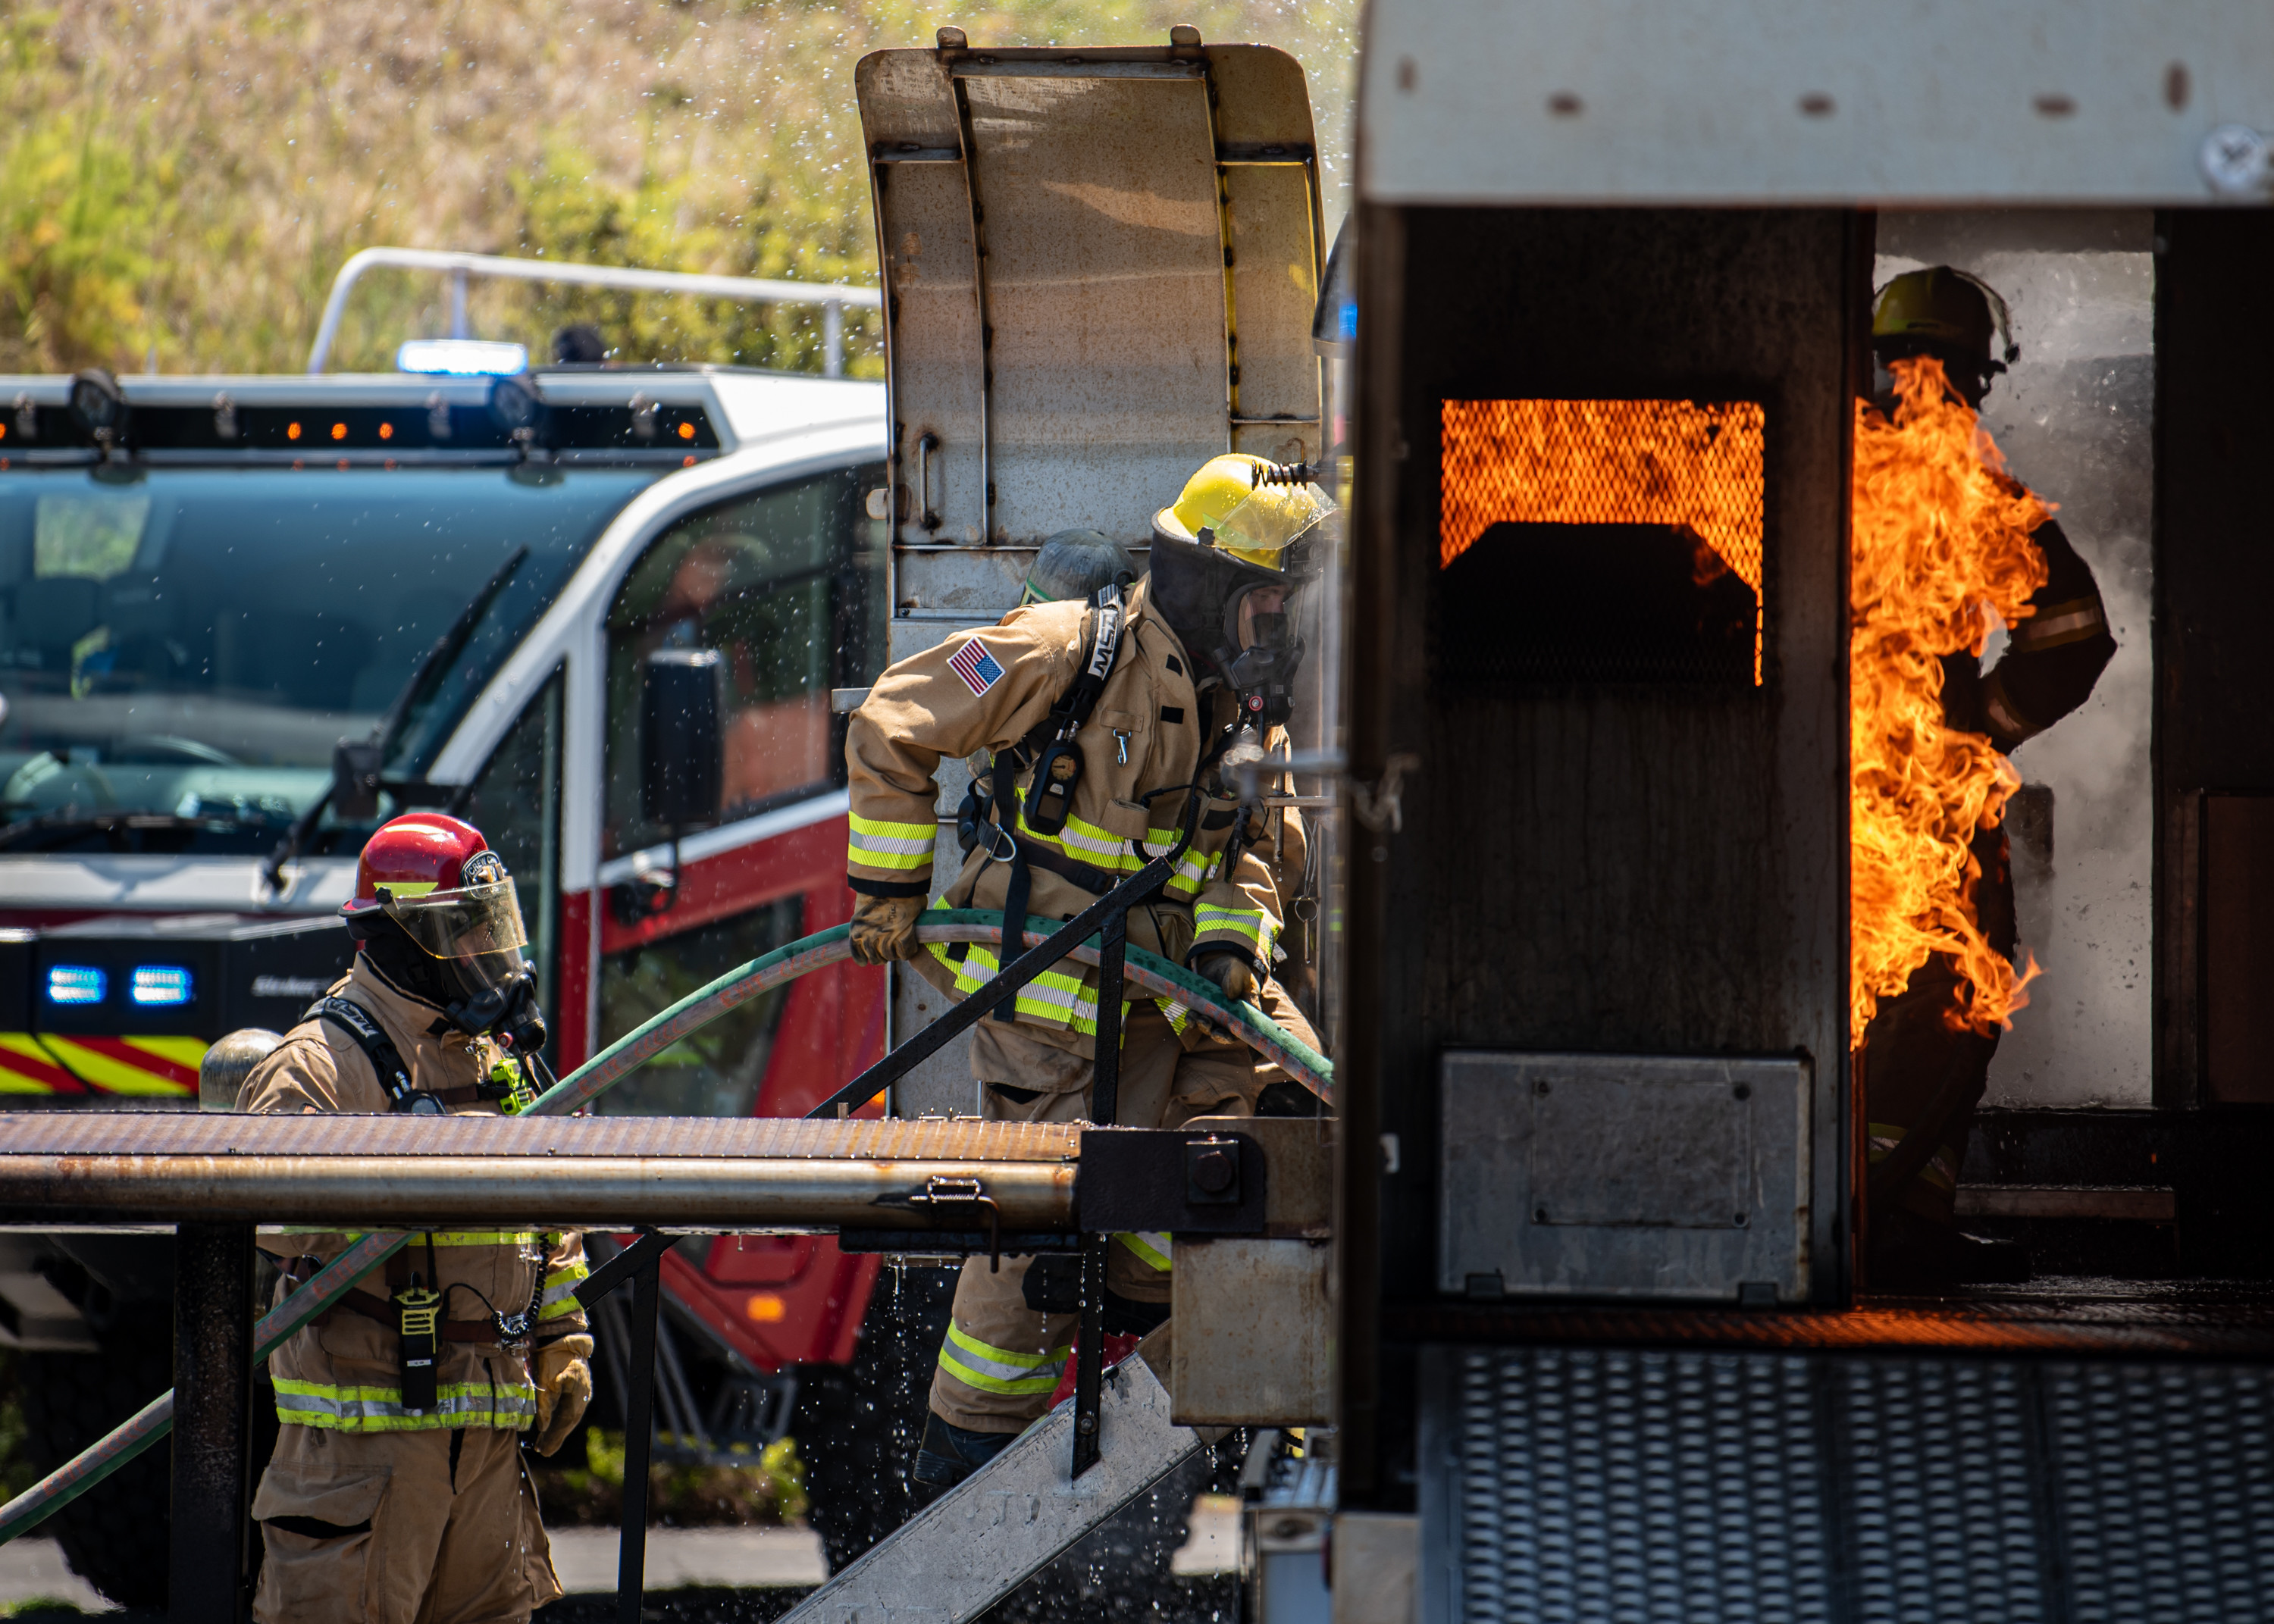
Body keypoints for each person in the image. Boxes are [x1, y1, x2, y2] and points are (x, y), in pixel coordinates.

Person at [844, 456, 1333, 1499]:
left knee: (1298, 1120)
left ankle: (1208, 1406)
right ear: (1209, 587)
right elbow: (895, 716)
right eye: (1267, 607)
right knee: (1031, 1274)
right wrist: (888, 883)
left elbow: (1257, 857)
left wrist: (1230, 939)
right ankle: (953, 1491)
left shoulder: (1250, 721)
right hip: (1053, 1024)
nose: (1278, 634)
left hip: (1174, 1007)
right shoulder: (1074, 650)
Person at [237, 812, 592, 1624]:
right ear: (398, 937)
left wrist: (563, 1335)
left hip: (491, 1464)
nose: (482, 957)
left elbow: (555, 1209)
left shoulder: (494, 1059)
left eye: (487, 930)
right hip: (361, 1466)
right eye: (460, 935)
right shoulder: (320, 1067)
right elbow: (267, 1232)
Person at [1862, 268, 2118, 1286]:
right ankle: (1895, 1219)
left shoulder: (1812, 467)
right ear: (1979, 373)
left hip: (1802, 803)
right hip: (1923, 808)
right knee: (1953, 1004)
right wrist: (1979, 732)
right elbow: (2075, 635)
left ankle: (1864, 1209)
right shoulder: (1976, 493)